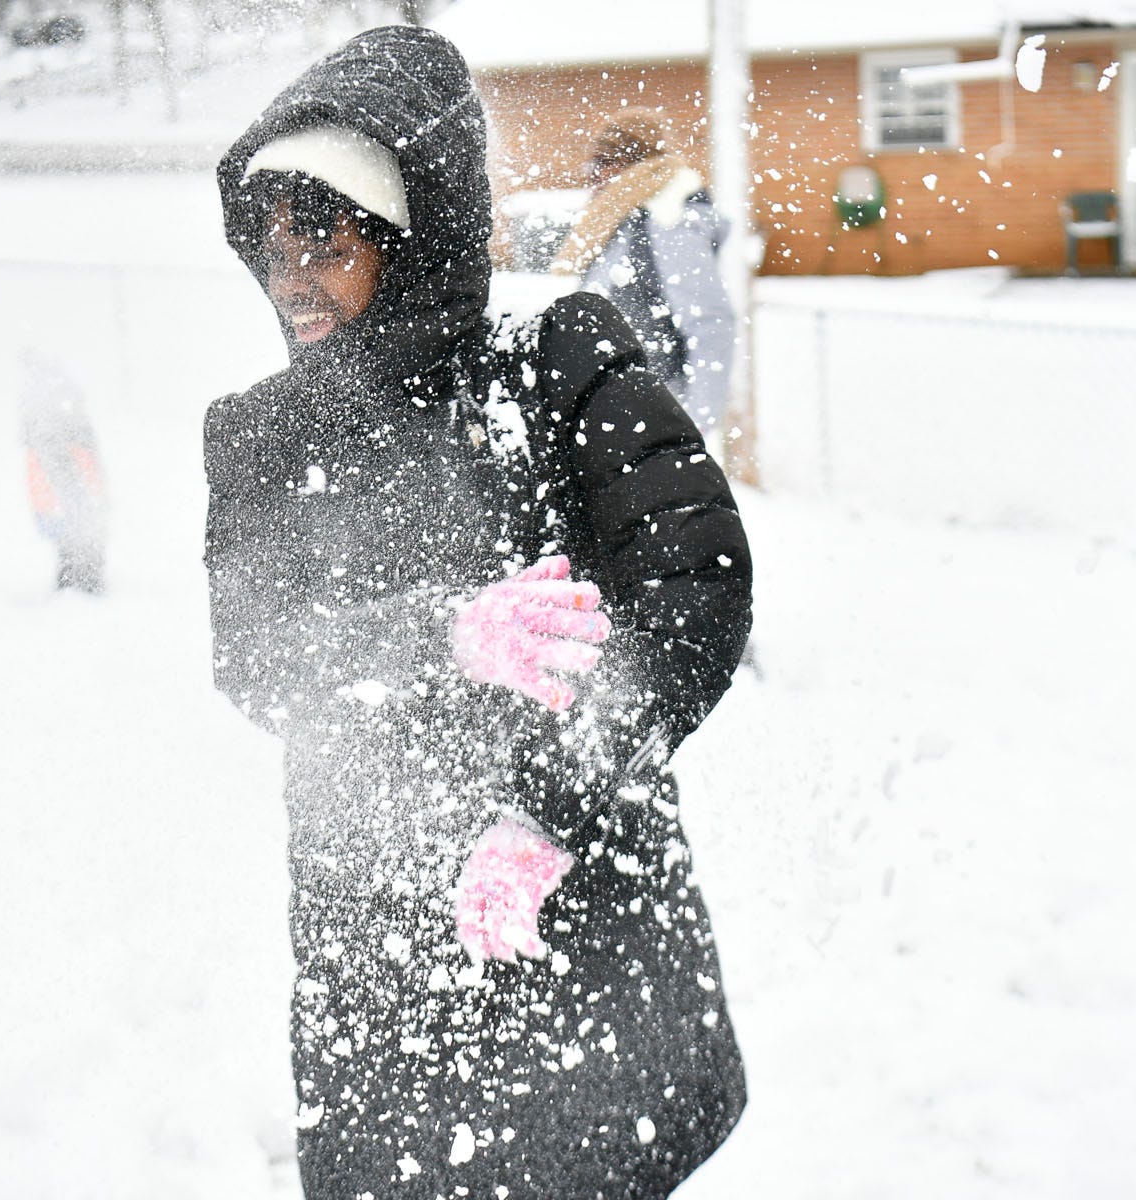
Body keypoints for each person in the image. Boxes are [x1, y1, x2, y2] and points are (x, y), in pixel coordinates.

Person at [201, 26, 751, 1199]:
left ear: (415, 232)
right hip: (375, 956)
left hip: (580, 920)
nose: (292, 274)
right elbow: (255, 654)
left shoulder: (557, 367)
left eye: (327, 237)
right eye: (275, 243)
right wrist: (440, 631)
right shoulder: (257, 438)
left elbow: (694, 587)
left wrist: (549, 811)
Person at [552, 107, 734, 434]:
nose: (592, 175)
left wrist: (693, 425)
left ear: (630, 162)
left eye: (603, 163)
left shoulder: (668, 220)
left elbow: (710, 321)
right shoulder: (622, 219)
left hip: (652, 413)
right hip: (620, 408)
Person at [19, 348, 107, 594]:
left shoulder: (48, 400)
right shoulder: (49, 400)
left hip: (67, 467)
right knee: (76, 533)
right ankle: (81, 581)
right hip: (66, 470)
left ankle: (81, 580)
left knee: (77, 533)